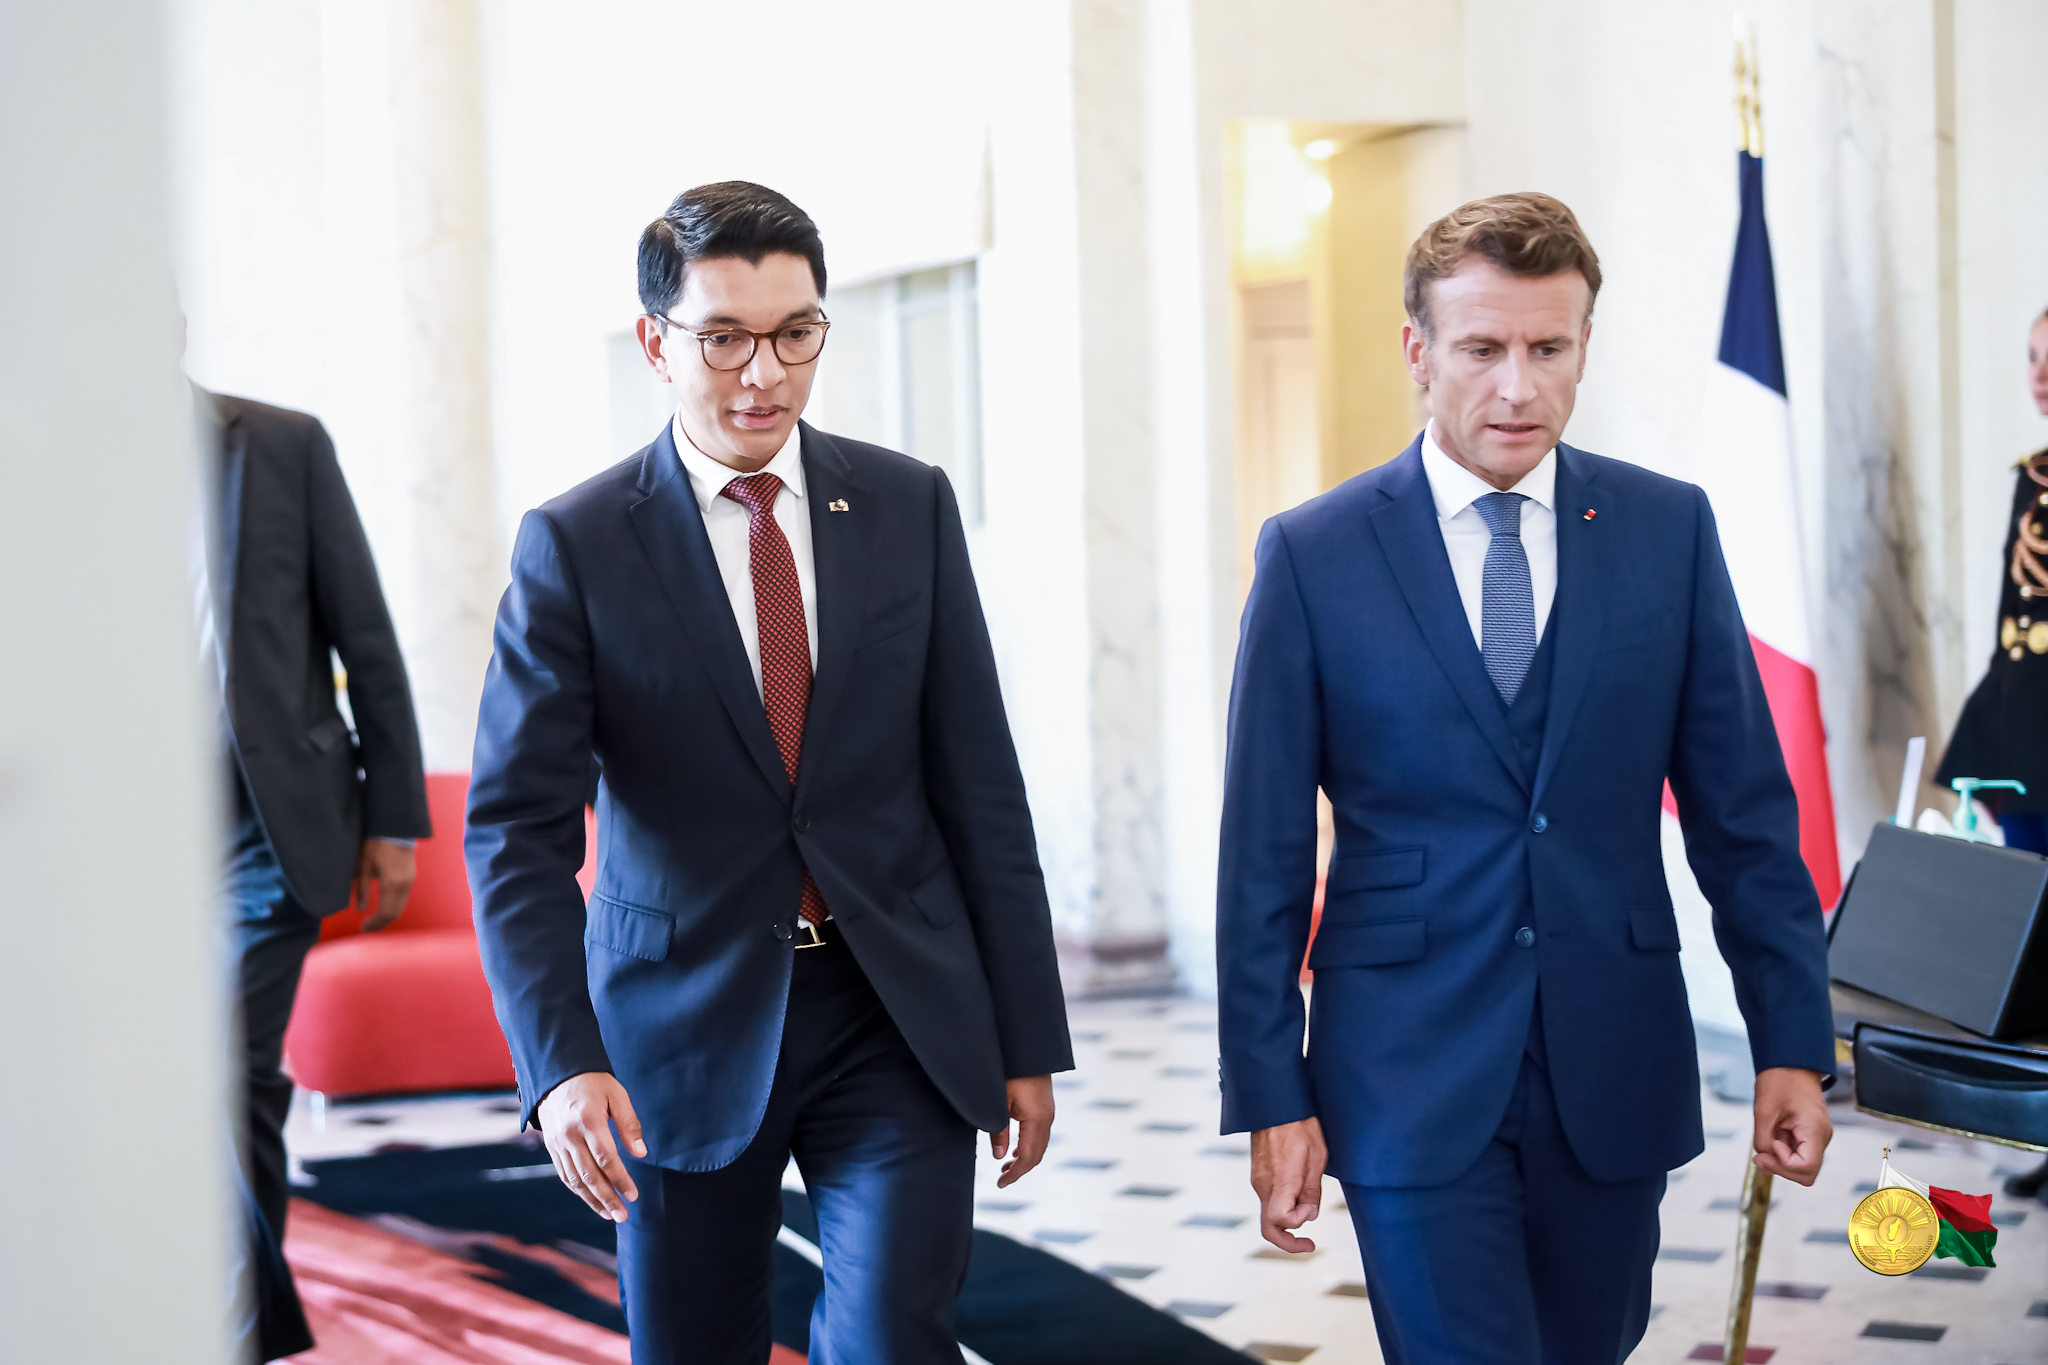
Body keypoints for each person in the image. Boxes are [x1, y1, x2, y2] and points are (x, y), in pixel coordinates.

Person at [1215, 193, 1836, 1363]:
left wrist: (1788, 1039)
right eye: (1482, 349)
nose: (1517, 388)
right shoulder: (1312, 554)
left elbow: (1744, 818)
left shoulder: (1665, 530)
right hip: (1402, 1067)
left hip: (1612, 1059)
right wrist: (1269, 1090)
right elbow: (1258, 854)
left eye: (1548, 349)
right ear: (1417, 351)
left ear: (1583, 345)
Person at [466, 181, 1072, 1364]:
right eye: (725, 338)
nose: (764, 374)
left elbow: (978, 787)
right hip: (675, 1021)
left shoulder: (906, 505)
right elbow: (514, 833)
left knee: (896, 1336)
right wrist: (559, 1063)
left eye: (795, 335)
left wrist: (1024, 1031)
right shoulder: (578, 544)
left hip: (892, 1003)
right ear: (656, 343)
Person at [196, 385, 432, 1358]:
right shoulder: (54, 454)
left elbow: (365, 638)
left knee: (219, 1060)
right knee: (224, 1081)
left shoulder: (280, 446)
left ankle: (247, 1326)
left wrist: (395, 821)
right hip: (125, 833)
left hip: (268, 822)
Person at [1936, 304, 2048, 1205]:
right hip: (2026, 745)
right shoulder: (2033, 477)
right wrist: (1989, 742)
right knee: (2035, 951)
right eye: (2033, 360)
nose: (2040, 377)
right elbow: (2013, 626)